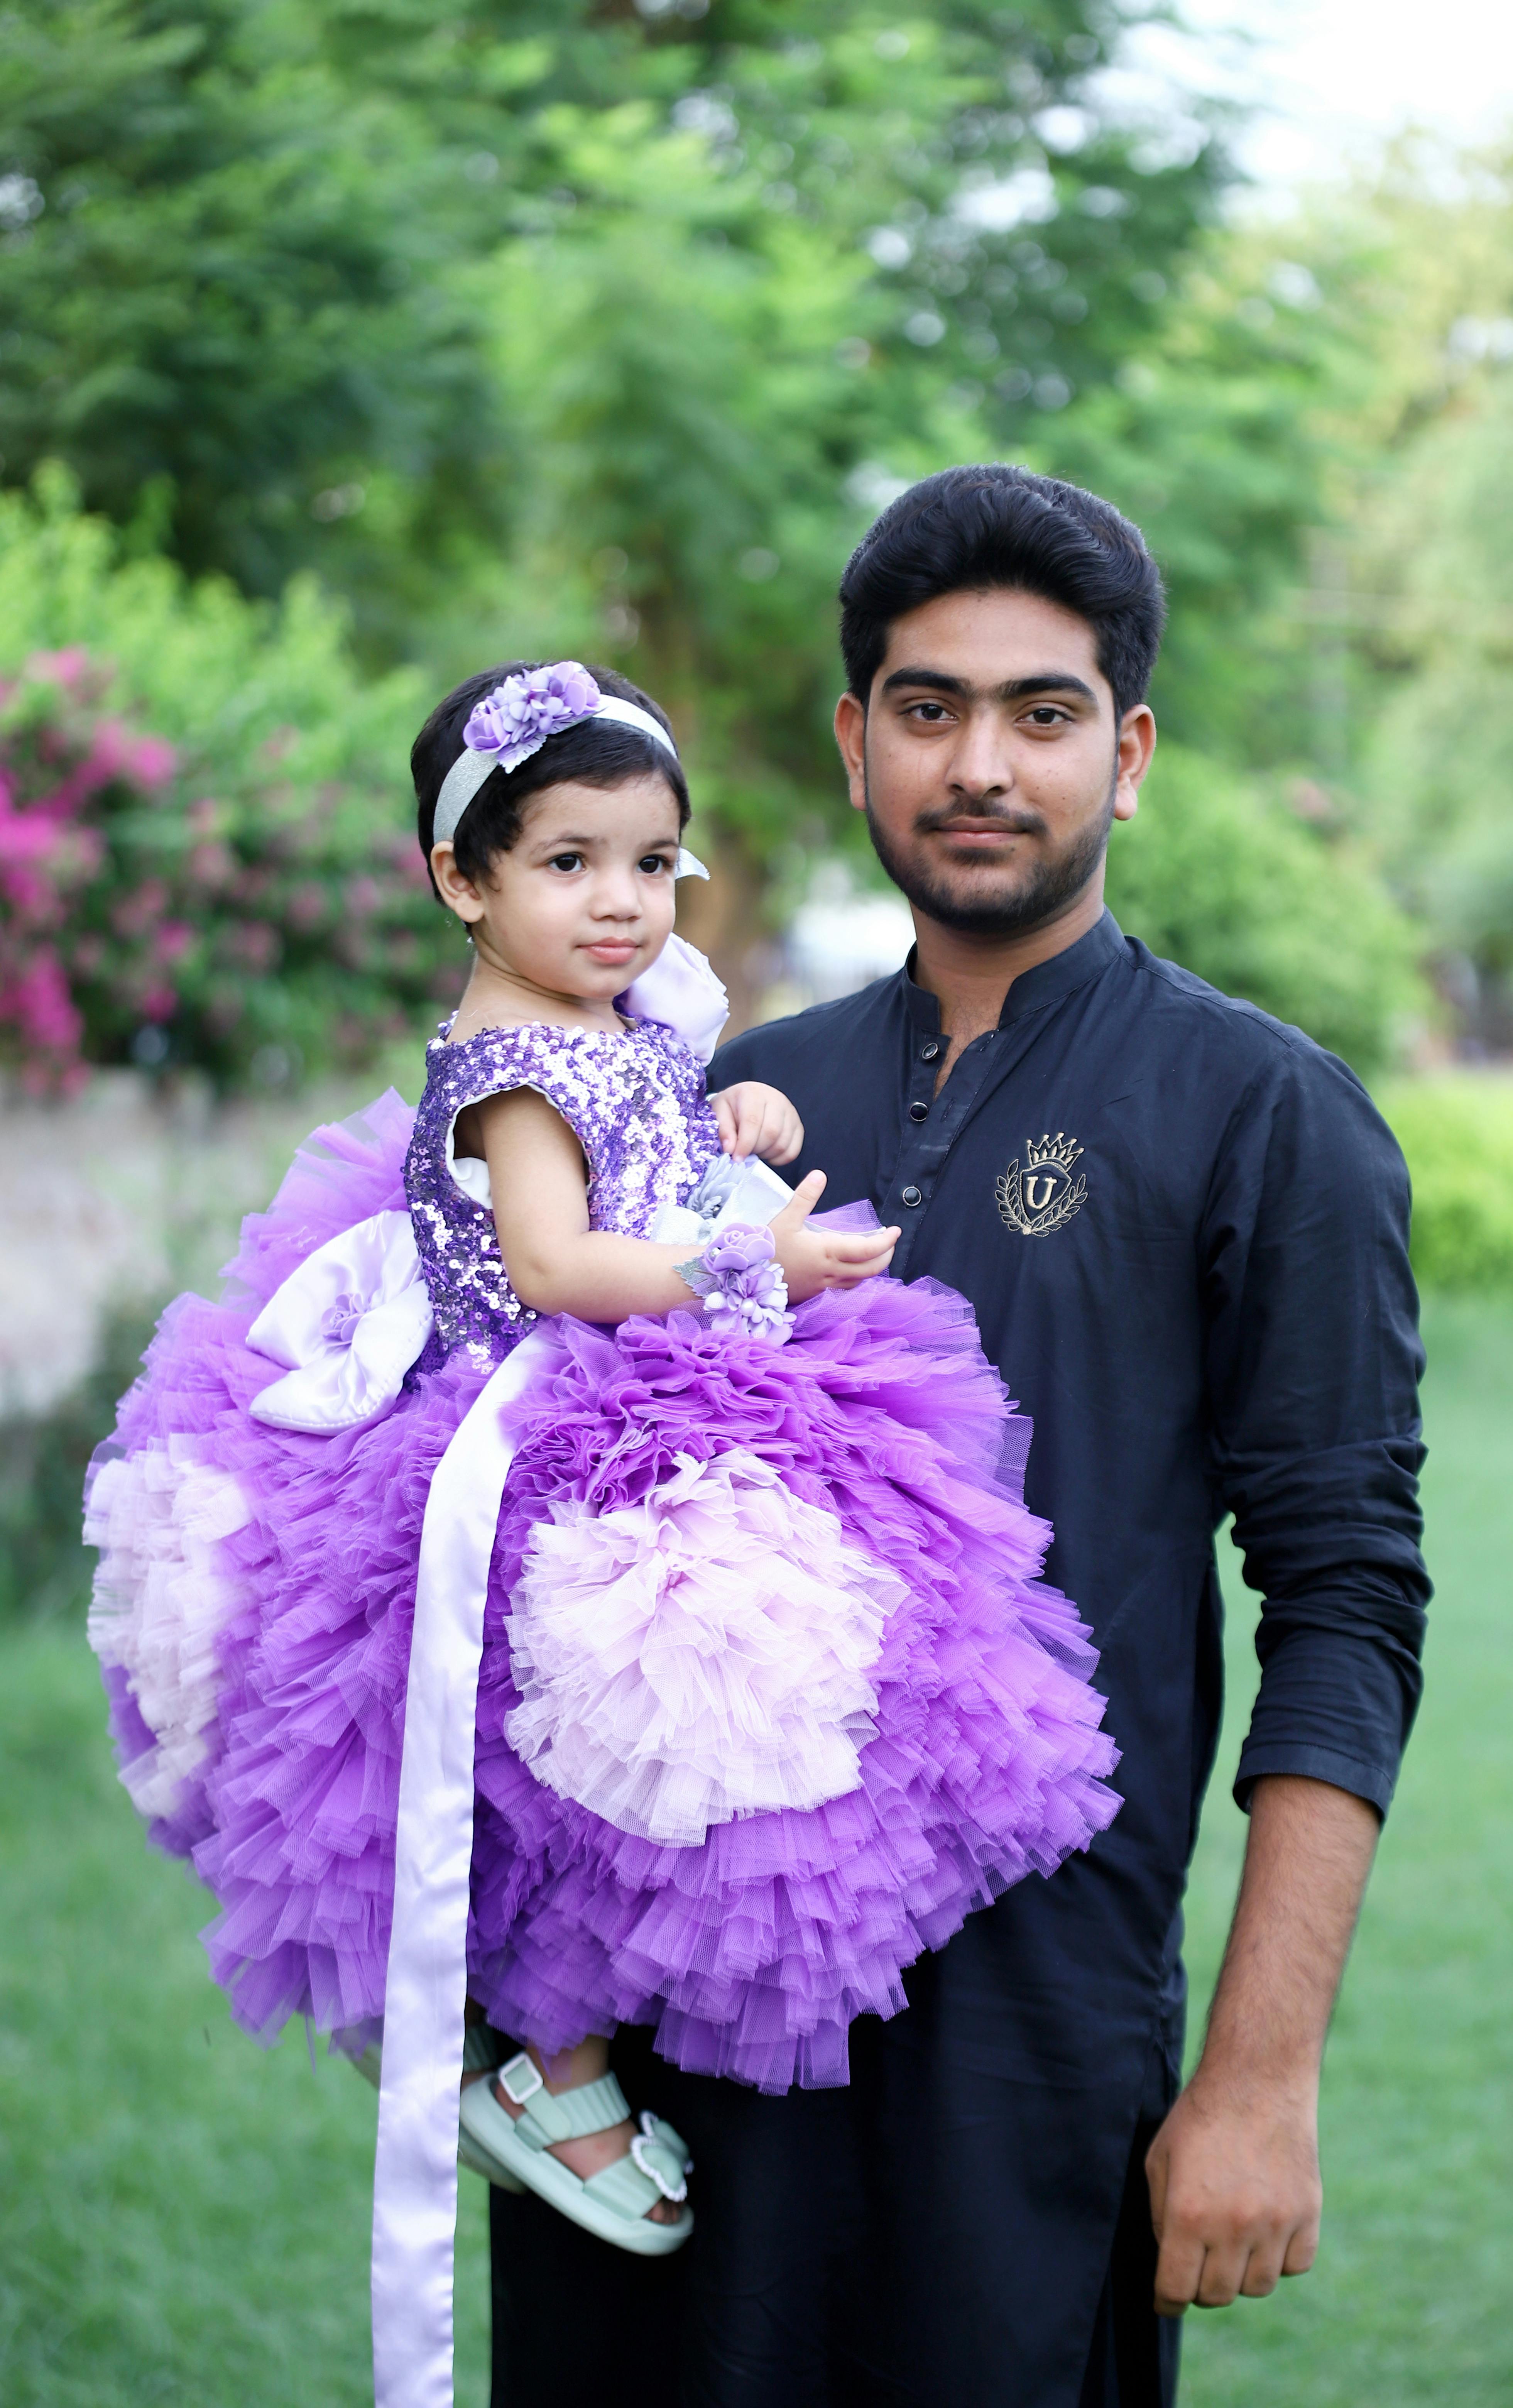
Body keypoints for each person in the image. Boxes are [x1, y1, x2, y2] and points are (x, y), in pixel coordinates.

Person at [485, 466, 1430, 2408]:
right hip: (677, 2023)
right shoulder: (733, 1094)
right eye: (926, 710)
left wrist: (1257, 2079)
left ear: (1130, 749)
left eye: (1041, 712)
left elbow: (1341, 1600)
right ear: (853, 743)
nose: (978, 762)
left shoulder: (1263, 1114)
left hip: (1030, 2038)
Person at [84, 654, 1122, 2396]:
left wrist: (723, 1123)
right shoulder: (505, 1060)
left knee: (705, 1730)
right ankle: (540, 2048)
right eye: (568, 864)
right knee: (601, 1710)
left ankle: (552, 2036)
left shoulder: (609, 1024)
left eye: (651, 862)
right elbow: (562, 1263)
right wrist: (752, 1257)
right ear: (461, 880)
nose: (623, 902)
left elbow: (632, 1160)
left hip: (627, 1375)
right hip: (540, 1405)